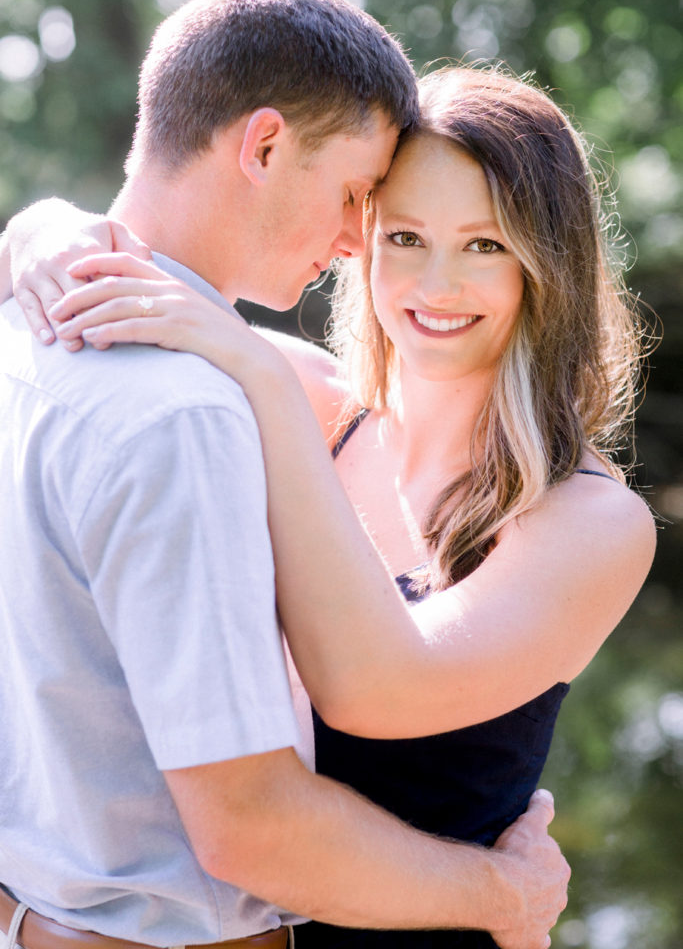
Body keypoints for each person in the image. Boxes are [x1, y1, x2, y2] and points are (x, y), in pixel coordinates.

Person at [4, 65, 655, 948]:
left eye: (485, 246)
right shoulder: (311, 401)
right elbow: (88, 287)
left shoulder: (590, 522)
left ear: (548, 265)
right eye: (405, 236)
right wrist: (43, 228)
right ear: (363, 241)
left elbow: (374, 689)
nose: (435, 284)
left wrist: (262, 378)